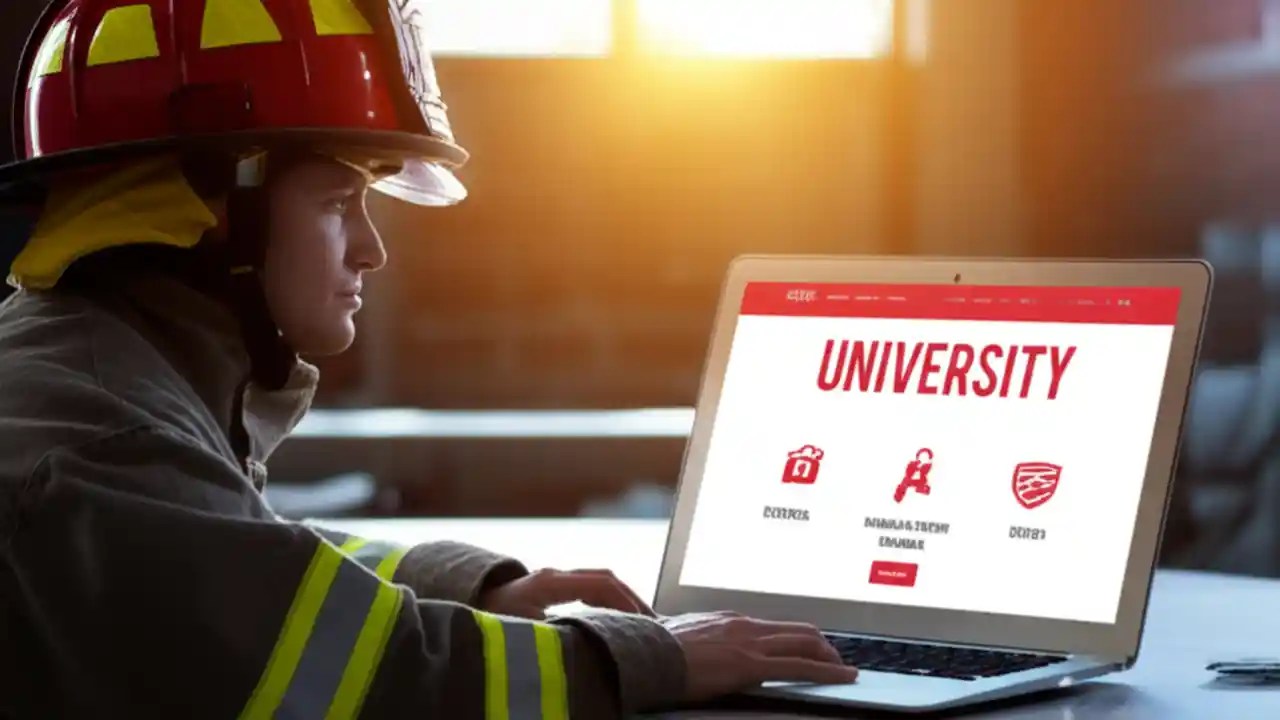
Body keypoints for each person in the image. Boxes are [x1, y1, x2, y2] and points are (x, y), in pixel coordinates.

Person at [0, 1, 857, 717]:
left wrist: (468, 588)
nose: (371, 249)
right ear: (219, 208)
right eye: (340, 201)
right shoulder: (97, 438)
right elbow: (376, 681)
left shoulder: (99, 375)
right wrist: (643, 657)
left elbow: (241, 557)